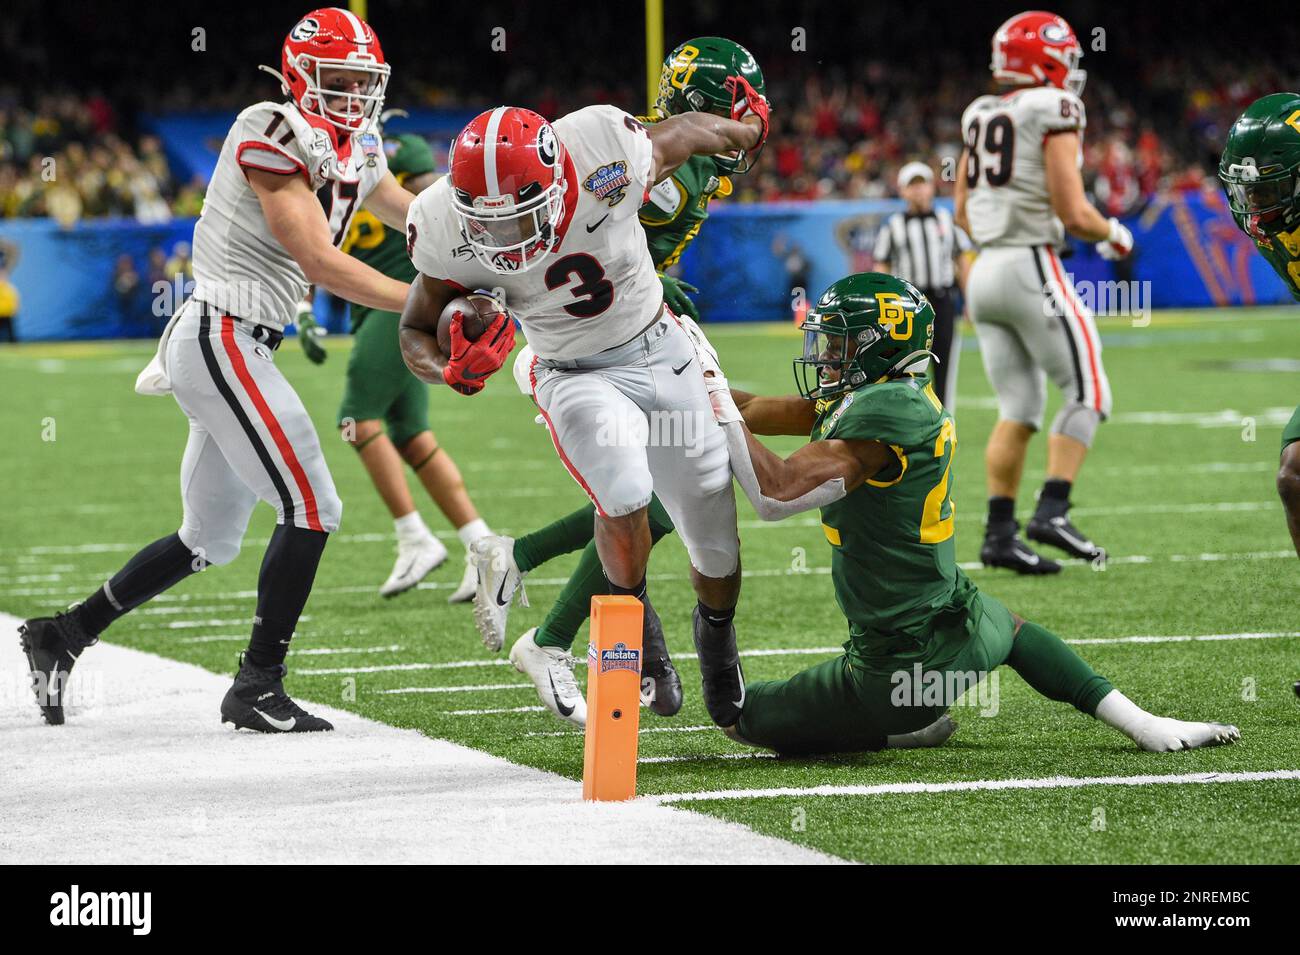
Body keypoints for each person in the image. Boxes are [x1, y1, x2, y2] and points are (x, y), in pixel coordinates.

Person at [19, 8, 415, 732]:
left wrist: (475, 250)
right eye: (341, 79)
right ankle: (258, 683)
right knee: (314, 504)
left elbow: (411, 217)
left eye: (365, 80)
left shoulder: (356, 146)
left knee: (208, 538)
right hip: (221, 334)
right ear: (302, 76)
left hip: (239, 344)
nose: (356, 94)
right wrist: (427, 301)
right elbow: (318, 260)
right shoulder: (269, 126)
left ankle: (62, 633)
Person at [705, 271, 1239, 755]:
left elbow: (774, 491)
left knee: (735, 716)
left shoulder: (882, 411)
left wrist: (709, 396)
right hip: (958, 620)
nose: (825, 357)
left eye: (840, 345)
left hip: (893, 667)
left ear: (880, 346)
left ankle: (898, 723)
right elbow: (747, 410)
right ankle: (1143, 723)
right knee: (1011, 628)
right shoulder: (890, 394)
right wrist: (688, 379)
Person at [398, 82, 771, 729]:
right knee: (624, 490)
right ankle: (635, 637)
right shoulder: (439, 222)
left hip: (659, 347)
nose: (503, 237)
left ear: (558, 181)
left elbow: (682, 133)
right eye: (484, 222)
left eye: (516, 215)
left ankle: (717, 643)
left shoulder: (603, 146)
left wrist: (744, 134)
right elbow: (413, 330)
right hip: (568, 368)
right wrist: (448, 368)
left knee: (713, 540)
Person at [955, 10, 1133, 575]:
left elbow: (961, 211)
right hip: (1032, 264)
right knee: (1089, 391)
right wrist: (1116, 233)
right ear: (1047, 58)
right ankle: (1052, 510)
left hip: (984, 273)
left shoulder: (980, 112)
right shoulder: (1056, 107)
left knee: (1019, 407)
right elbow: (1074, 212)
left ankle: (998, 535)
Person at [298, 129, 496, 600]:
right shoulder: (322, 160)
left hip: (401, 306)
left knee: (355, 421)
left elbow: (437, 199)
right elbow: (311, 238)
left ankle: (413, 538)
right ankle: (482, 547)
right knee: (409, 433)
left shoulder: (384, 151)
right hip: (372, 305)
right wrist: (304, 307)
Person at [1218, 91, 1300, 697]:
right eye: (1250, 187)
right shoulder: (1271, 227)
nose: (1256, 202)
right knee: (1294, 475)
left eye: (1271, 188)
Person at [873, 160, 971, 410]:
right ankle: (907, 422)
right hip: (909, 306)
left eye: (922, 184)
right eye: (912, 186)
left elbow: (961, 259)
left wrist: (970, 299)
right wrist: (882, 304)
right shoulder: (894, 226)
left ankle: (944, 422)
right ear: (903, 191)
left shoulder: (946, 220)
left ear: (931, 187)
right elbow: (881, 267)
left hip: (942, 300)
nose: (918, 191)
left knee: (945, 364)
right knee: (906, 367)